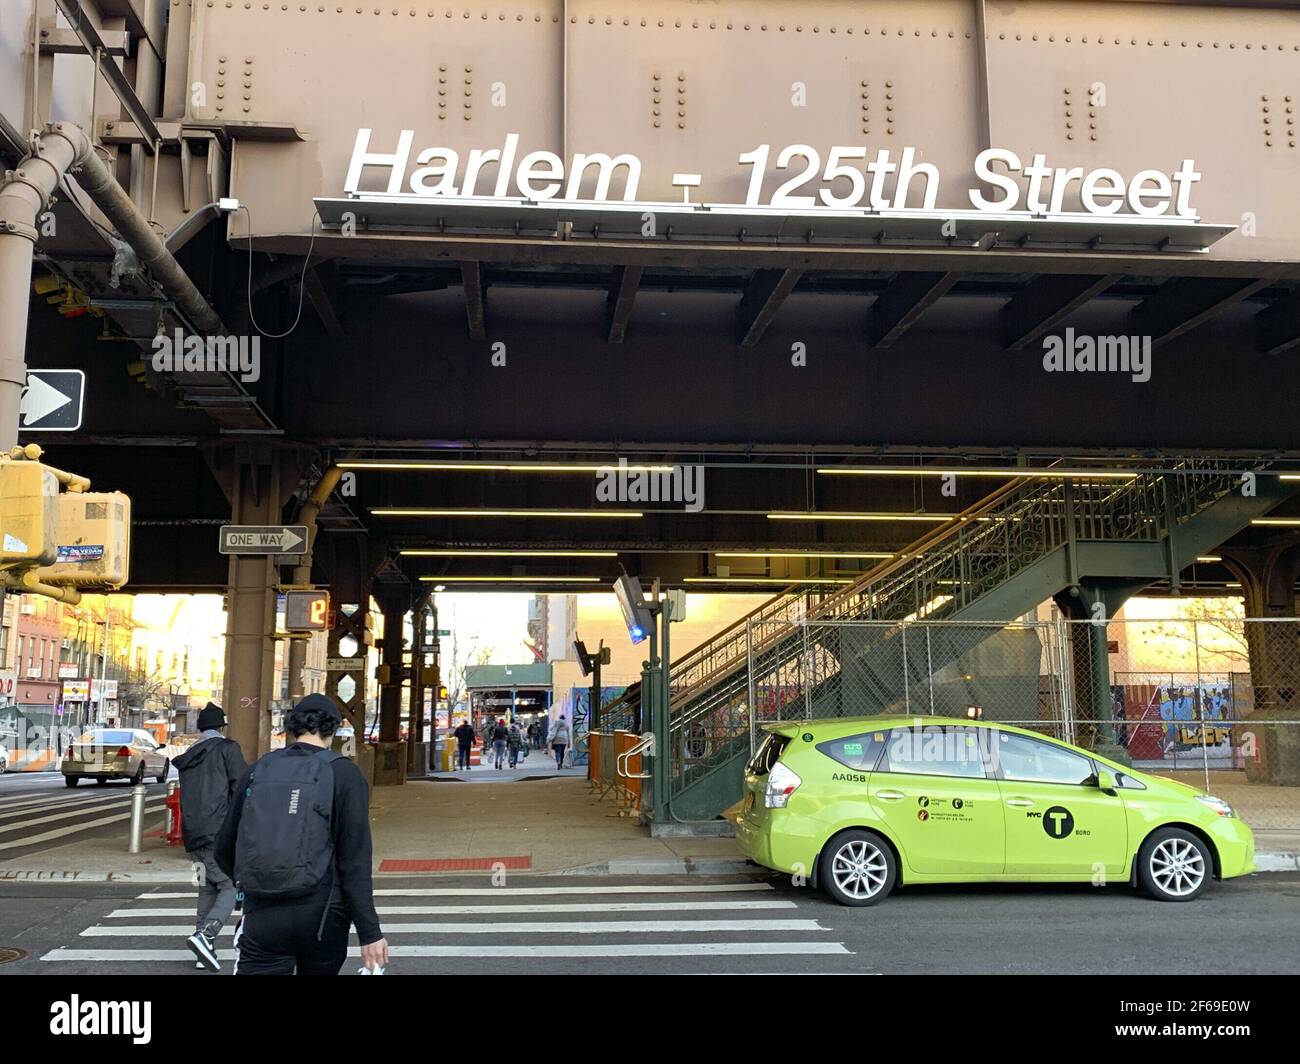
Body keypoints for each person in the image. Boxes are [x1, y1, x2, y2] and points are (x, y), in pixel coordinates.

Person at [215, 693, 388, 975]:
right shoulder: (344, 773)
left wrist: (253, 882)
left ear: (292, 727)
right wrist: (369, 932)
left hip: (263, 911)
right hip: (322, 913)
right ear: (332, 729)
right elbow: (354, 860)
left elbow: (224, 846)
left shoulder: (258, 770)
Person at [172, 702, 247, 971]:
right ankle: (207, 934)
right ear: (222, 726)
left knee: (207, 886)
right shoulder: (228, 750)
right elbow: (241, 789)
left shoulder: (190, 755)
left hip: (193, 833)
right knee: (229, 885)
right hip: (219, 832)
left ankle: (203, 951)